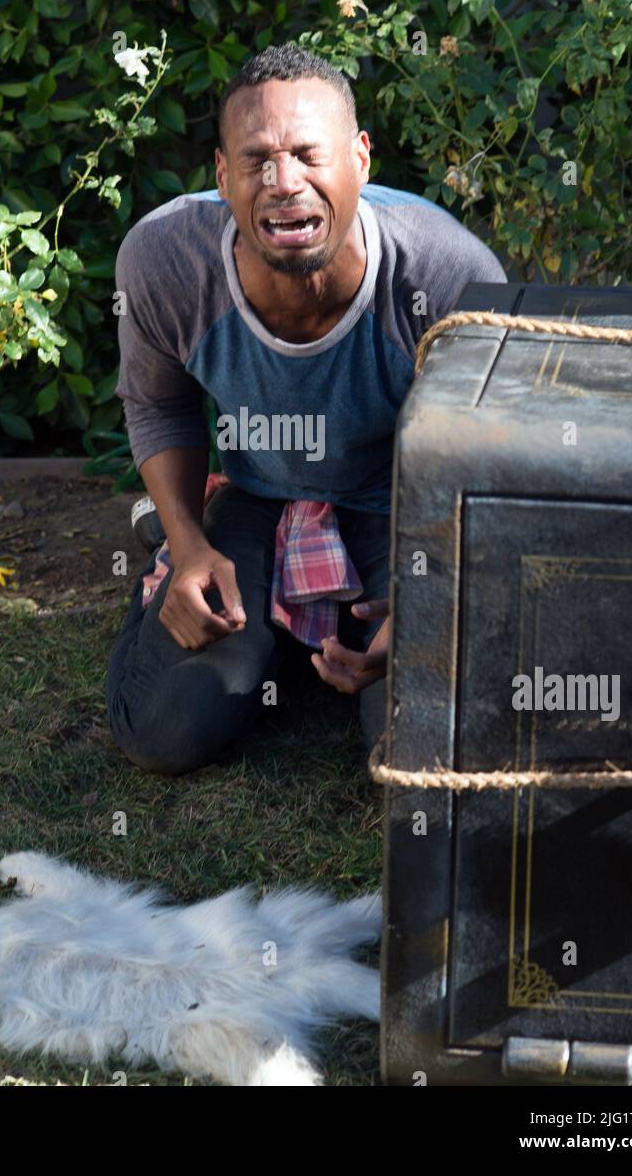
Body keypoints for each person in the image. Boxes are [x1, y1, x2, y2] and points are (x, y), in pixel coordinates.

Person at [105, 44, 505, 774]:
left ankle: (299, 625)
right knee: (166, 729)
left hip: (398, 503)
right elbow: (160, 407)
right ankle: (234, 603)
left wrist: (432, 595)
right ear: (222, 177)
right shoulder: (163, 261)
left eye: (307, 155)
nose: (283, 182)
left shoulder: (448, 274)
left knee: (423, 737)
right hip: (255, 490)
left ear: (359, 159)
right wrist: (189, 543)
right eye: (255, 160)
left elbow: (485, 459)